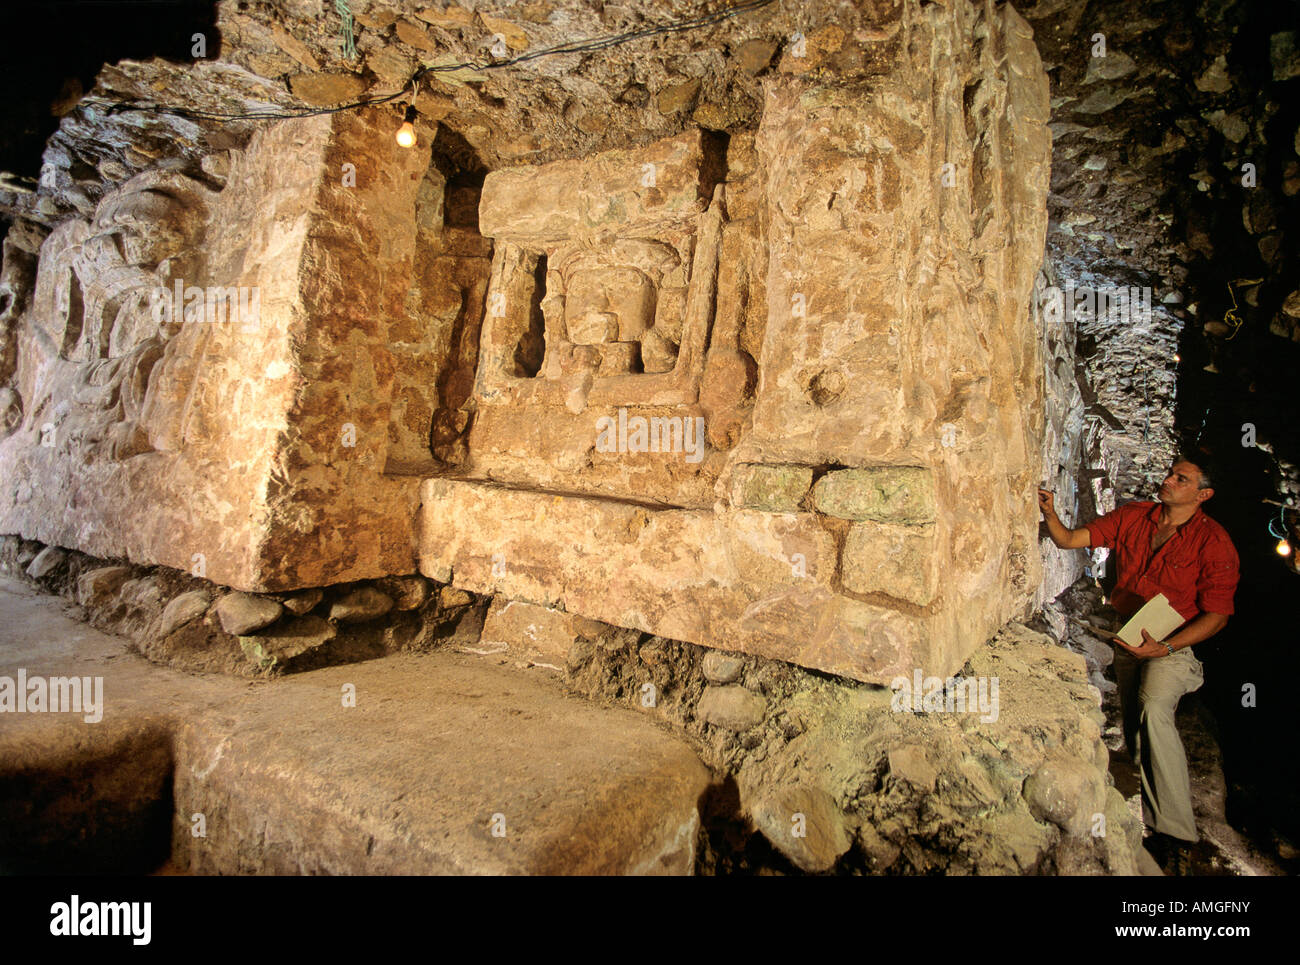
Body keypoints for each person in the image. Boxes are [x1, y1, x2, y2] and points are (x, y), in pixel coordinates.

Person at [1037, 456, 1240, 875]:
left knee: (1153, 707)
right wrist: (1051, 513)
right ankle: (1158, 829)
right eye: (1171, 473)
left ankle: (1180, 838)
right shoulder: (1135, 516)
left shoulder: (1214, 543)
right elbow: (1071, 540)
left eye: (1181, 479)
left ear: (1203, 495)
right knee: (1136, 734)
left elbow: (1217, 615)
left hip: (1174, 648)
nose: (1168, 480)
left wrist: (1165, 647)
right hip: (1131, 640)